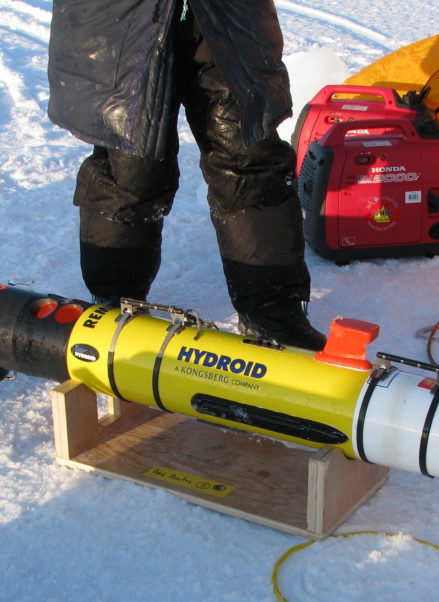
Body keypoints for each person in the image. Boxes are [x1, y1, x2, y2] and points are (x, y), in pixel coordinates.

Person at [47, 0, 327, 350]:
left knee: (249, 149)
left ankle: (274, 313)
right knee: (132, 166)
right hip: (118, 20)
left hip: (227, 15)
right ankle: (115, 305)